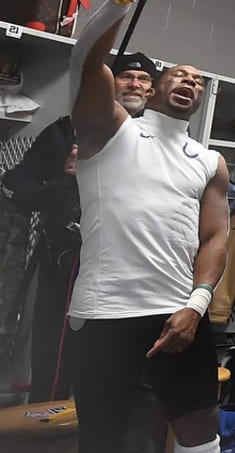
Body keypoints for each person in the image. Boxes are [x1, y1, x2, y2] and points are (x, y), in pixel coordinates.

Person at [61, 0, 229, 453]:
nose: (189, 82)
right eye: (177, 75)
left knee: (199, 427)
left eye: (199, 80)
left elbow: (216, 236)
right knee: (97, 446)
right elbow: (85, 58)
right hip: (104, 313)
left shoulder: (208, 161)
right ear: (152, 84)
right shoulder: (107, 133)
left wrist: (196, 302)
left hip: (177, 315)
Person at [3, 52, 157, 403]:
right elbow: (16, 187)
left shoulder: (160, 141)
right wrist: (64, 183)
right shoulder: (65, 131)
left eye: (143, 79)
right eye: (126, 76)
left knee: (115, 373)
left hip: (133, 272)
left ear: (151, 90)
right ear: (109, 83)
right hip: (67, 265)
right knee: (53, 369)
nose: (134, 83)